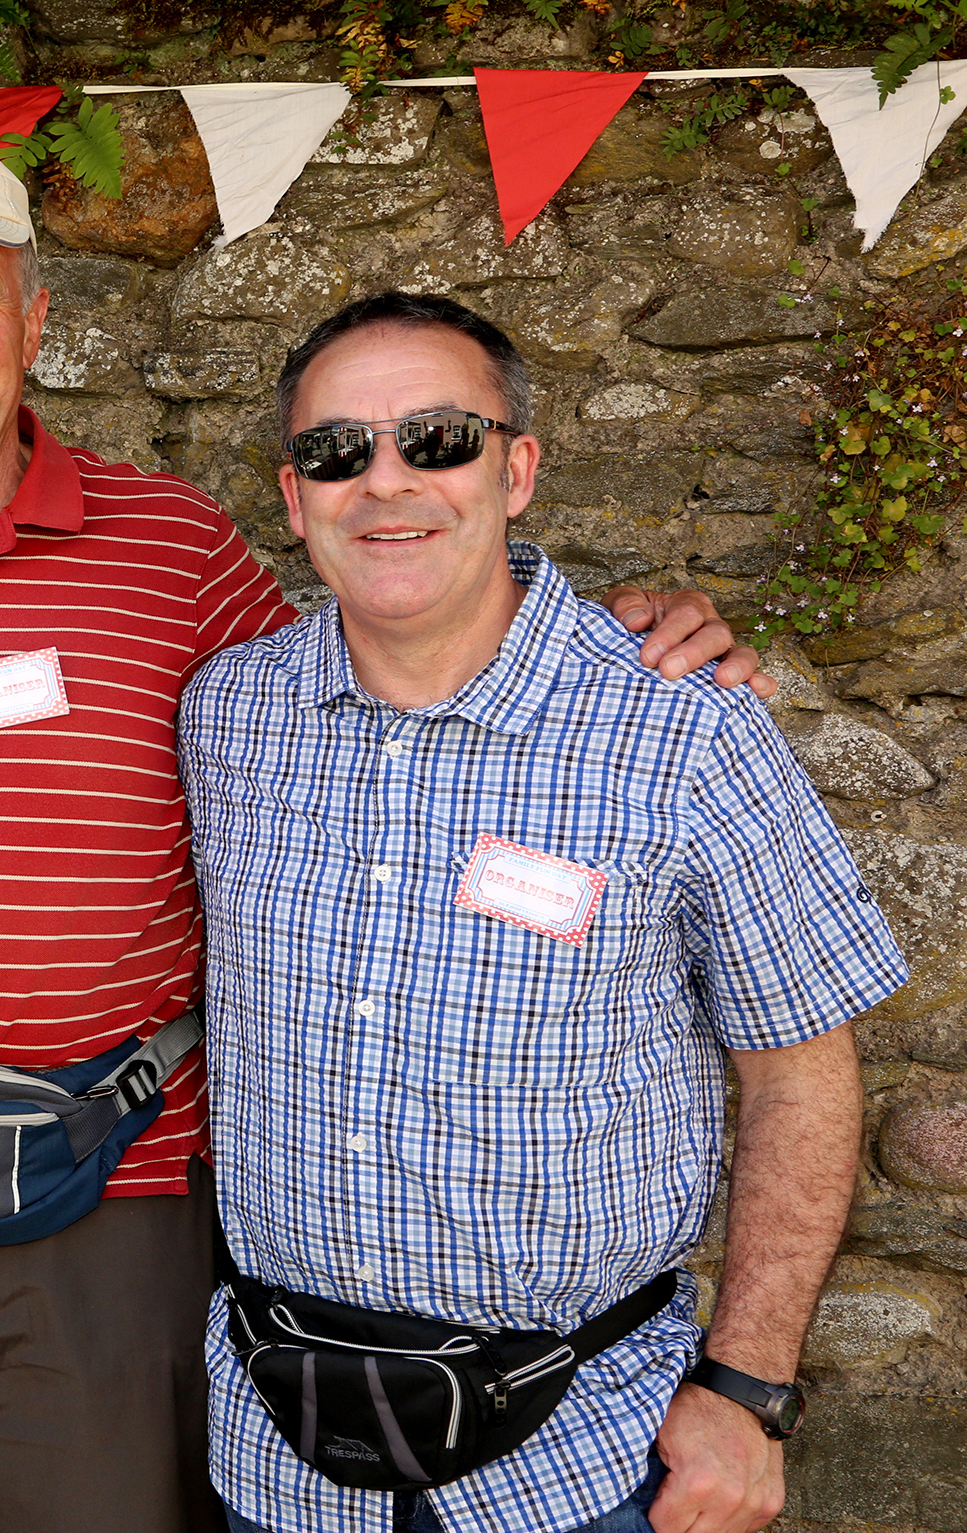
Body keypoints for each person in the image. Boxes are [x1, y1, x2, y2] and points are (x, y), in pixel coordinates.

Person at [0, 135, 768, 1533]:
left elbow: (384, 670)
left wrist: (614, 629)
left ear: (34, 323)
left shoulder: (174, 552)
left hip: (110, 1188)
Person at [179, 291, 902, 1533]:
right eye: (337, 453)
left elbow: (798, 1069)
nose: (387, 483)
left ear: (515, 470)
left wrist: (748, 1386)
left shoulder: (684, 726)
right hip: (280, 1454)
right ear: (294, 499)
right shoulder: (227, 717)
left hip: (581, 1462)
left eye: (439, 441)